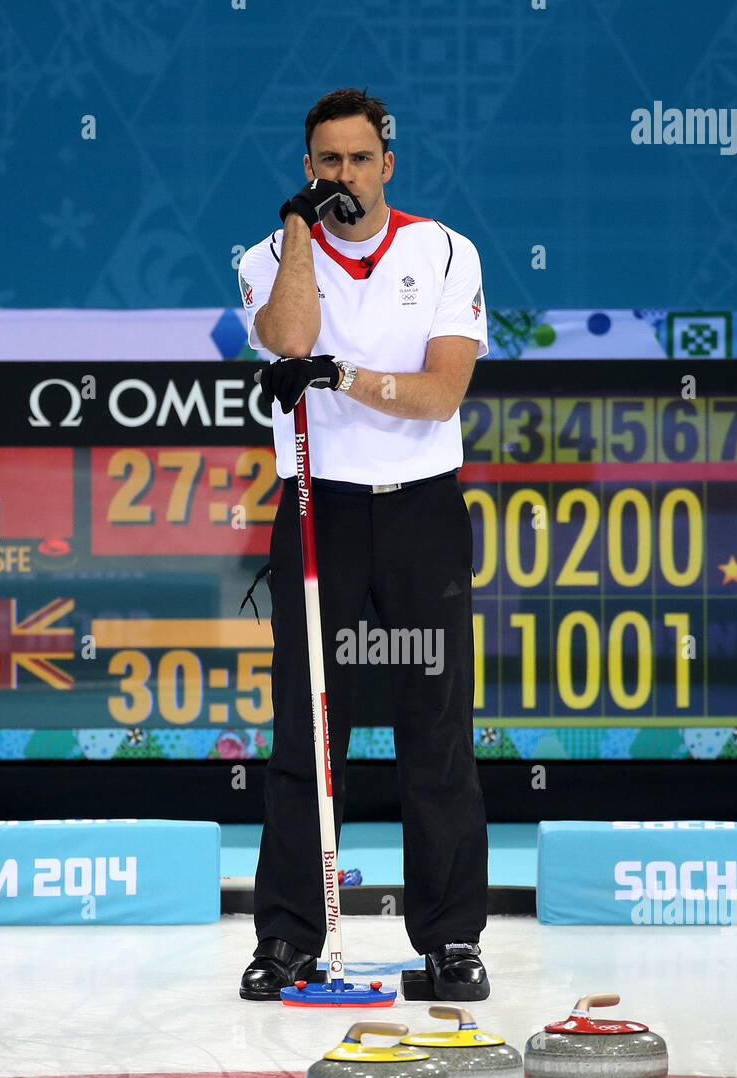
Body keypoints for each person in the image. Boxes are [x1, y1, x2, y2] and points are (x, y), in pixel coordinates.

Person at [236, 86, 489, 1002]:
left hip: (421, 511)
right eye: (324, 162)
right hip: (320, 509)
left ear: (388, 163)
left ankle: (452, 940)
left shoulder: (444, 250)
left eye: (357, 159)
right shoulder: (270, 253)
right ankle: (289, 940)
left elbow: (439, 393)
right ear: (308, 168)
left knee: (436, 729)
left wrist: (342, 375)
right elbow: (289, 333)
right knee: (308, 729)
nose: (342, 175)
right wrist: (302, 229)